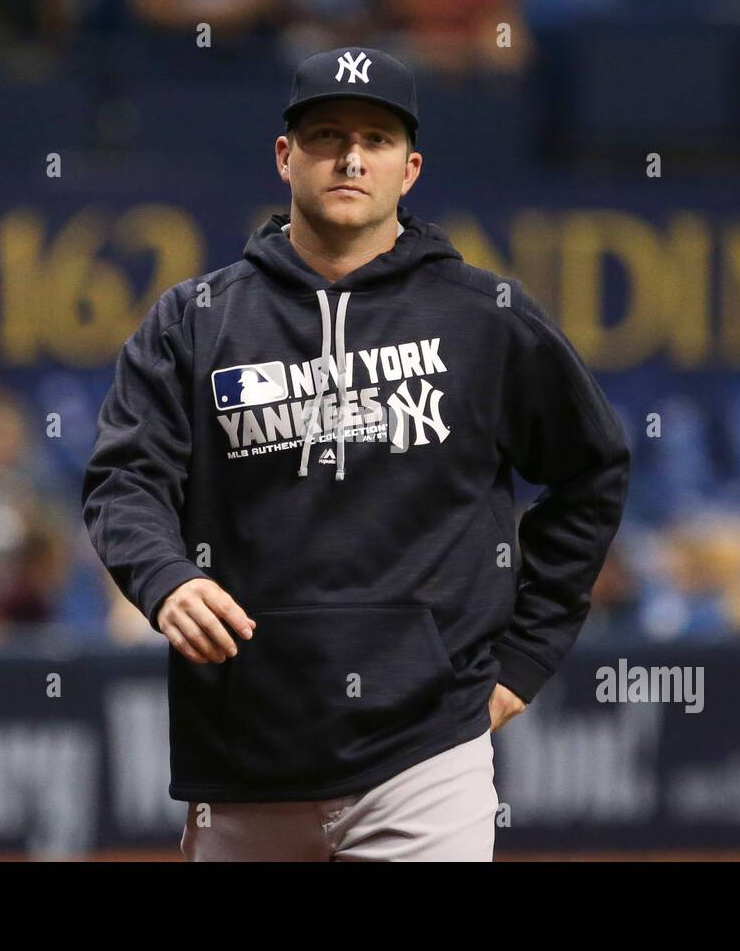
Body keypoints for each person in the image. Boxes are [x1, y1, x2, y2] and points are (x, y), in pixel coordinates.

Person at [82, 46, 630, 860]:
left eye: (374, 139)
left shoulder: (486, 318)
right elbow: (125, 477)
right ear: (285, 158)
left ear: (408, 170)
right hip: (244, 752)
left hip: (426, 754)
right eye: (326, 134)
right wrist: (166, 577)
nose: (349, 156)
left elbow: (592, 473)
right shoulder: (195, 319)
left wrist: (523, 658)